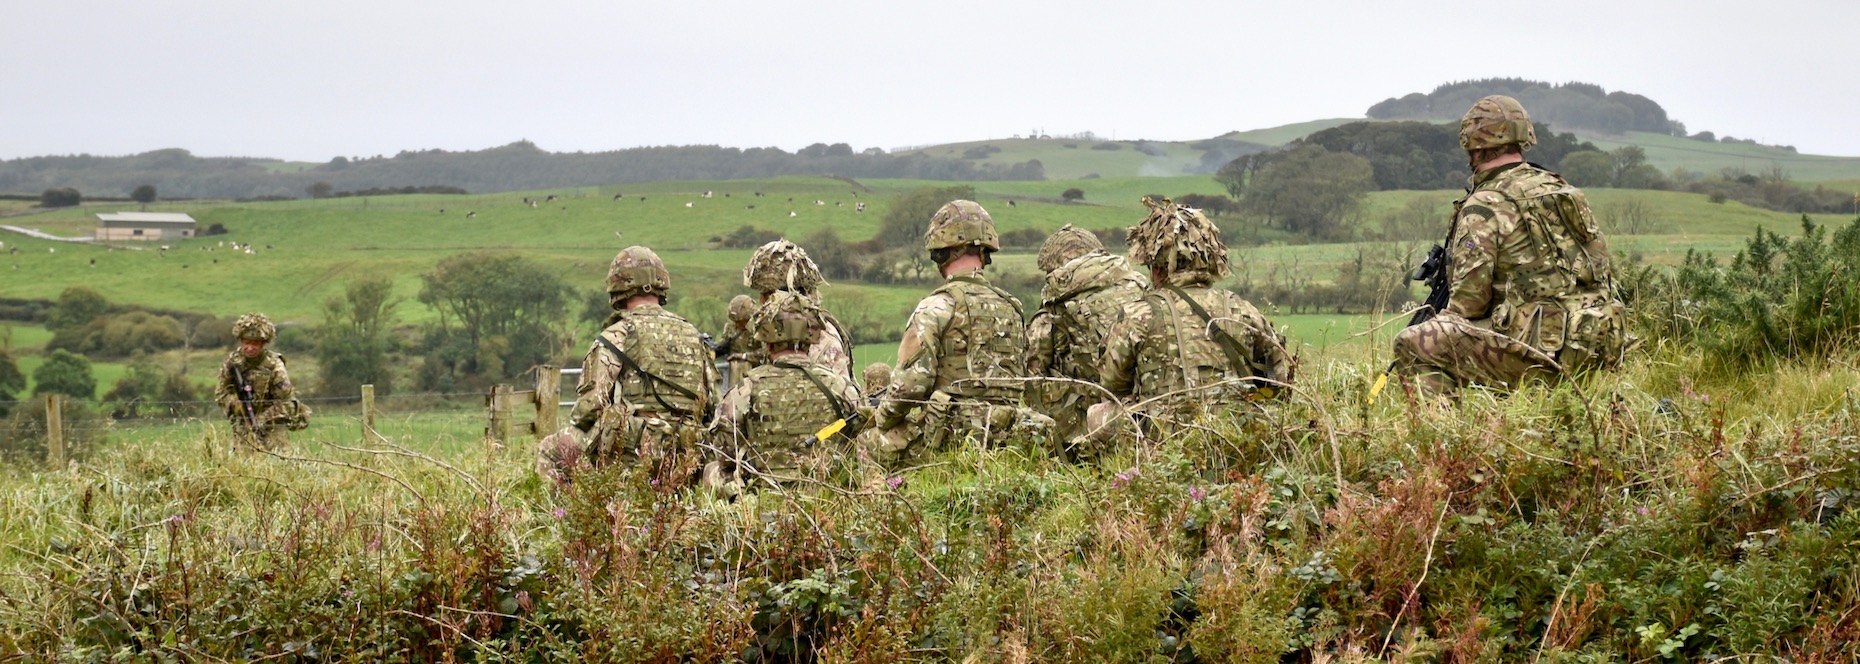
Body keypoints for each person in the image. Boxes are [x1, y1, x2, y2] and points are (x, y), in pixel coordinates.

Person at [1390, 95, 1629, 395]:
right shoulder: (1562, 190)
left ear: (1473, 145)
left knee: (1415, 342)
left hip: (1544, 354)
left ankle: (1446, 435)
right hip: (1599, 346)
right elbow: (1601, 268)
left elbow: (1467, 305)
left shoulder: (1484, 204)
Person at [864, 200, 1052, 467]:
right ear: (985, 251)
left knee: (864, 442)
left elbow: (909, 387)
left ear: (942, 252)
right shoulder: (1013, 307)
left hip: (950, 438)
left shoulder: (936, 306)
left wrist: (880, 418)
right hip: (1008, 438)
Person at [1092, 198, 1293, 442]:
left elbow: (1111, 386)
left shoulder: (1139, 314)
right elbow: (1280, 379)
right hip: (1239, 436)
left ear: (1157, 268)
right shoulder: (1241, 308)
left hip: (1165, 442)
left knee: (1100, 414)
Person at [545, 245, 719, 485]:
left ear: (618, 286)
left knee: (551, 449)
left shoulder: (616, 335)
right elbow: (713, 406)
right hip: (689, 455)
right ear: (662, 284)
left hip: (635, 454)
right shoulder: (694, 336)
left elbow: (588, 409)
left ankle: (564, 519)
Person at [708, 291, 862, 492]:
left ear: (767, 340)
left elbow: (725, 452)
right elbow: (857, 437)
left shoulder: (746, 389)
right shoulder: (839, 386)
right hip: (827, 492)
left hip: (765, 492)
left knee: (711, 471)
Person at [1026, 225, 1148, 456]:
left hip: (1083, 433)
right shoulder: (1138, 291)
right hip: (1140, 418)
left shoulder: (1054, 311)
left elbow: (1031, 375)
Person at [736, 239, 855, 379]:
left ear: (774, 298)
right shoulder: (787, 333)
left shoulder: (820, 337)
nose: (760, 302)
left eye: (763, 295)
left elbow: (842, 395)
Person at [214, 312, 309, 450]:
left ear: (263, 344)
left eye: (255, 344)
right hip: (243, 422)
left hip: (273, 426)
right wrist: (236, 405)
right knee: (242, 465)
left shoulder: (274, 365)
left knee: (279, 461)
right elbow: (221, 393)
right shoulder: (233, 363)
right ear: (241, 341)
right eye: (247, 342)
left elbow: (286, 402)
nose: (250, 348)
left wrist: (262, 419)